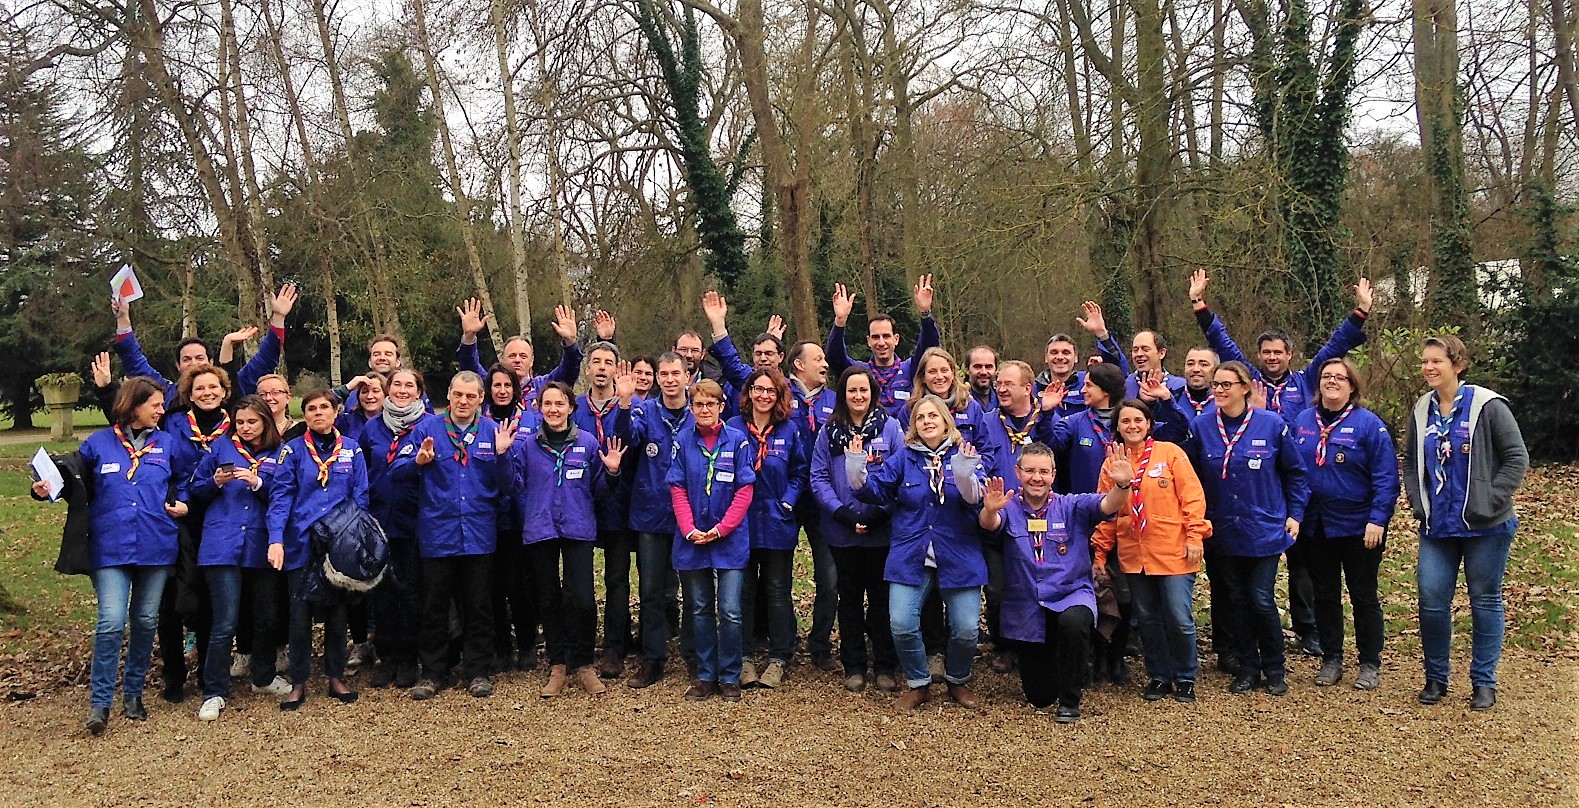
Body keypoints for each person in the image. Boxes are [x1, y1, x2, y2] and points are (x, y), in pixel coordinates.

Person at [1189, 270, 1374, 657]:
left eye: (1279, 352)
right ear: (1258, 357)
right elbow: (1221, 344)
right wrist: (1200, 305)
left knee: (1302, 564)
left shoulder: (1305, 382)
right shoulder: (1247, 380)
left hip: (1295, 481)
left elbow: (1335, 347)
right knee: (1246, 572)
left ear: (1289, 355)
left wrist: (1360, 312)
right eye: (1266, 352)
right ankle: (1241, 637)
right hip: (1250, 483)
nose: (1272, 358)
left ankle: (1306, 630)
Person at [31, 377, 193, 735]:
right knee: (110, 621)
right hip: (110, 546)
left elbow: (185, 479)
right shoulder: (99, 443)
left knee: (146, 620)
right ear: (135, 406)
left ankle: (133, 692)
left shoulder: (166, 443)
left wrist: (183, 501)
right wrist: (43, 487)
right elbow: (68, 474)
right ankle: (100, 702)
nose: (162, 410)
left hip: (155, 545)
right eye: (155, 404)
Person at [1405, 335, 1528, 711]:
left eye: (1436, 361)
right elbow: (1411, 463)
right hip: (1438, 525)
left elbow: (1516, 458)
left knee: (1485, 600)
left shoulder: (1487, 406)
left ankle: (1484, 682)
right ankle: (1436, 677)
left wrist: (1491, 499)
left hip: (1485, 526)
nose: (1428, 367)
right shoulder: (1422, 409)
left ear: (1457, 364)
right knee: (1431, 599)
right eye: (1425, 361)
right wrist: (1417, 502)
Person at [846, 395, 986, 713]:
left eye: (932, 415)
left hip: (959, 553)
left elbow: (976, 502)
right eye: (920, 417)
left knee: (966, 629)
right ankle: (918, 683)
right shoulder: (903, 458)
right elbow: (872, 491)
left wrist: (964, 475)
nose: (926, 421)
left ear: (946, 419)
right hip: (912, 553)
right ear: (913, 425)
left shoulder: (964, 453)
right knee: (901, 622)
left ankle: (958, 679)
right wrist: (856, 466)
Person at [979, 443, 1132, 723]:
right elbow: (990, 523)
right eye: (1030, 471)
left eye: (1044, 472)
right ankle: (1064, 665)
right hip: (1029, 605)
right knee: (1039, 696)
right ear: (1018, 472)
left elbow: (1107, 504)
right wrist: (989, 510)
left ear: (1053, 474)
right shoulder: (1008, 506)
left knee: (1074, 623)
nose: (1037, 478)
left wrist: (1121, 485)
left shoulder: (1071, 506)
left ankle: (1071, 701)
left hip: (1071, 594)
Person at [1185, 361, 1309, 697]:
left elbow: (1296, 474)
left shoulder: (1271, 425)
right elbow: (1190, 478)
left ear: (1245, 388)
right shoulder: (1201, 426)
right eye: (1216, 385)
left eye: (1227, 384)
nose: (1220, 391)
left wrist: (1294, 514)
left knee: (1260, 598)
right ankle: (1246, 667)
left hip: (1263, 528)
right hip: (1222, 529)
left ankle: (1274, 667)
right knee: (1234, 600)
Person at [390, 371, 516, 701]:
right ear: (448, 395)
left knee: (479, 605)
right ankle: (434, 671)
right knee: (434, 606)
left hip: (478, 533)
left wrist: (503, 455)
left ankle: (478, 671)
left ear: (480, 399)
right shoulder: (427, 429)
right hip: (437, 532)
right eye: (458, 395)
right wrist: (417, 461)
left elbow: (508, 485)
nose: (463, 401)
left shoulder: (493, 432)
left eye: (470, 396)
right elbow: (395, 472)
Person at [510, 382, 626, 697]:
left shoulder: (587, 443)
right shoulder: (528, 446)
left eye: (559, 403)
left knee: (584, 599)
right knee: (548, 598)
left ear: (570, 408)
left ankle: (585, 662)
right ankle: (558, 663)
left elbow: (600, 490)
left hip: (578, 527)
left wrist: (612, 472)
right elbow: (514, 484)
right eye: (547, 404)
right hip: (541, 528)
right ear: (539, 408)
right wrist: (500, 457)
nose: (553, 409)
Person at [1092, 399, 1212, 704]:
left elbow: (1192, 497)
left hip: (1173, 550)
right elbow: (1106, 512)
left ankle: (1185, 676)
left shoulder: (1170, 453)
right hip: (1135, 553)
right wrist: (1100, 553)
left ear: (1148, 424)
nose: (1132, 426)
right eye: (1125, 421)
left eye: (1138, 420)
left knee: (1178, 615)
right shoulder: (1112, 462)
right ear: (1117, 426)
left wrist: (1195, 536)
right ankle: (1158, 675)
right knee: (1147, 618)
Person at [1292, 359, 1399, 691]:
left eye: (1340, 377)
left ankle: (1369, 662)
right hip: (1316, 525)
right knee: (1324, 594)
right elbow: (1295, 472)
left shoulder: (1370, 425)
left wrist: (1377, 519)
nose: (1332, 382)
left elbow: (1386, 478)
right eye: (1326, 377)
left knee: (1363, 595)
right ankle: (1332, 657)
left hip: (1358, 526)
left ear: (1352, 386)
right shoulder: (1303, 421)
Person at [264, 388, 368, 710]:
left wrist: (353, 537)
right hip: (301, 542)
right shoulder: (291, 452)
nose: (318, 413)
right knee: (300, 614)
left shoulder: (352, 450)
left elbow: (360, 496)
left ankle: (336, 676)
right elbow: (280, 498)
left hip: (338, 544)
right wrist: (276, 539)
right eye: (311, 408)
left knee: (337, 612)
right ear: (305, 415)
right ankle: (299, 682)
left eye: (325, 407)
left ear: (336, 412)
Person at [187, 395, 284, 720]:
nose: (244, 428)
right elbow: (194, 489)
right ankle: (214, 690)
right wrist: (214, 481)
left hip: (261, 542)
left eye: (251, 422)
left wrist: (258, 482)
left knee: (267, 615)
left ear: (265, 422)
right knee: (225, 620)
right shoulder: (220, 448)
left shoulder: (279, 451)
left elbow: (287, 493)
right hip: (222, 543)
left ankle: (264, 676)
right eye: (240, 422)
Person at [812, 367, 903, 692]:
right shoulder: (829, 431)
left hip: (881, 531)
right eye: (852, 391)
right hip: (842, 531)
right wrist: (843, 515)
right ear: (843, 394)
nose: (858, 396)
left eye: (864, 390)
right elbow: (818, 477)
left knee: (880, 600)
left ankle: (885, 665)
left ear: (873, 393)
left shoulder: (891, 429)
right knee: (848, 598)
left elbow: (900, 475)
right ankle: (853, 665)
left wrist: (879, 514)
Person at [667, 380, 757, 702]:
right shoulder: (682, 441)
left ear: (721, 407)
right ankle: (706, 675)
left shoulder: (738, 442)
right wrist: (689, 528)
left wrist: (722, 529)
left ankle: (730, 674)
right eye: (698, 405)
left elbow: (745, 491)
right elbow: (676, 488)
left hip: (728, 539)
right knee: (701, 608)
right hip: (692, 538)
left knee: (730, 609)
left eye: (711, 404)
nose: (704, 410)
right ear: (691, 409)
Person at [157, 363, 237, 704]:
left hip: (218, 518)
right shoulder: (172, 423)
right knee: (171, 600)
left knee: (207, 600)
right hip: (177, 518)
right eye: (199, 388)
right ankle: (174, 674)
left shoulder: (237, 424)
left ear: (224, 391)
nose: (207, 393)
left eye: (213, 387)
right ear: (188, 395)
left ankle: (208, 673)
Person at [617, 352, 696, 688]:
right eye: (663, 374)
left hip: (691, 515)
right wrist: (622, 405)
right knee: (649, 589)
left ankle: (696, 655)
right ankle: (653, 658)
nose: (669, 379)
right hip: (651, 512)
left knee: (694, 591)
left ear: (686, 377)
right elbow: (628, 440)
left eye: (675, 373)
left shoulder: (699, 413)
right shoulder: (644, 411)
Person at [727, 369, 809, 688]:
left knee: (777, 591)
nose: (763, 396)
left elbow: (800, 472)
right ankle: (745, 656)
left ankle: (779, 656)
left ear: (779, 396)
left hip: (776, 523)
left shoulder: (789, 430)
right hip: (741, 523)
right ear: (749, 394)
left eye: (770, 391)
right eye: (757, 389)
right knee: (744, 591)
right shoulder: (733, 427)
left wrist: (787, 502)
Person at [109, 283, 298, 407]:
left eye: (199, 358)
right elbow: (134, 361)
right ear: (178, 366)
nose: (193, 363)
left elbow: (266, 359)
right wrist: (123, 319)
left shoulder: (232, 386)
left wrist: (279, 317)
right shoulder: (164, 394)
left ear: (211, 362)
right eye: (186, 359)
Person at [360, 368, 429, 688]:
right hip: (377, 521)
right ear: (387, 390)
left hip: (414, 521)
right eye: (397, 384)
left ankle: (408, 658)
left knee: (411, 592)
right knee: (381, 592)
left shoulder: (429, 426)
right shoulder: (372, 429)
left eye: (409, 386)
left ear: (419, 392)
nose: (402, 390)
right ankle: (386, 658)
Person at [577, 342, 639, 679]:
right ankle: (583, 644)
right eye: (596, 362)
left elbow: (633, 442)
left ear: (616, 370)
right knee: (581, 580)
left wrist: (626, 405)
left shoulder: (629, 405)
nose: (602, 368)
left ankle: (615, 646)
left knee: (617, 579)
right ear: (587, 370)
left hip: (619, 505)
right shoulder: (574, 408)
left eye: (608, 363)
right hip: (582, 505)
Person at [485, 362, 538, 673]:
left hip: (523, 512)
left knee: (520, 584)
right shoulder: (480, 423)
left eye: (507, 385)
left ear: (516, 389)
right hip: (488, 514)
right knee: (493, 586)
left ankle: (528, 643)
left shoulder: (532, 419)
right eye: (496, 386)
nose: (502, 391)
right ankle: (502, 646)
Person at [824, 276, 938, 415]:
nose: (881, 343)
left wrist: (925, 314)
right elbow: (835, 358)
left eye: (886, 336)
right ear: (868, 341)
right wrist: (840, 322)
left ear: (896, 339)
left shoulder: (910, 370)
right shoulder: (860, 373)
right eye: (876, 337)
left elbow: (930, 349)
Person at [457, 299, 596, 408]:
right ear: (502, 359)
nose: (517, 360)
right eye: (512, 356)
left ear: (532, 360)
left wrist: (570, 342)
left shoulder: (544, 386)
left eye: (523, 356)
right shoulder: (491, 385)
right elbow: (469, 367)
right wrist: (469, 336)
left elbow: (570, 368)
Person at [1032, 301, 1130, 414]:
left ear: (1076, 357)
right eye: (1054, 352)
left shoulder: (1089, 382)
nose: (1060, 357)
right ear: (1046, 358)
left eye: (1066, 352)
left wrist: (1101, 333)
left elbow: (1120, 377)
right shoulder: (1033, 389)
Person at [335, 371, 387, 441]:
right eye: (364, 392)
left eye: (375, 391)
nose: (369, 396)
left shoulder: (393, 423)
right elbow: (321, 404)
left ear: (386, 394)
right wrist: (346, 388)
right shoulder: (347, 421)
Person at [256, 373, 305, 442]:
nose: (268, 398)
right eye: (262, 394)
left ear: (288, 397)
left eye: (275, 392)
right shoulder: (252, 432)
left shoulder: (302, 431)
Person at [965, 346, 999, 411]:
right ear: (967, 370)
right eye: (977, 367)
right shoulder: (958, 401)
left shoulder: (1004, 400)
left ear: (996, 370)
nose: (983, 372)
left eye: (988, 367)